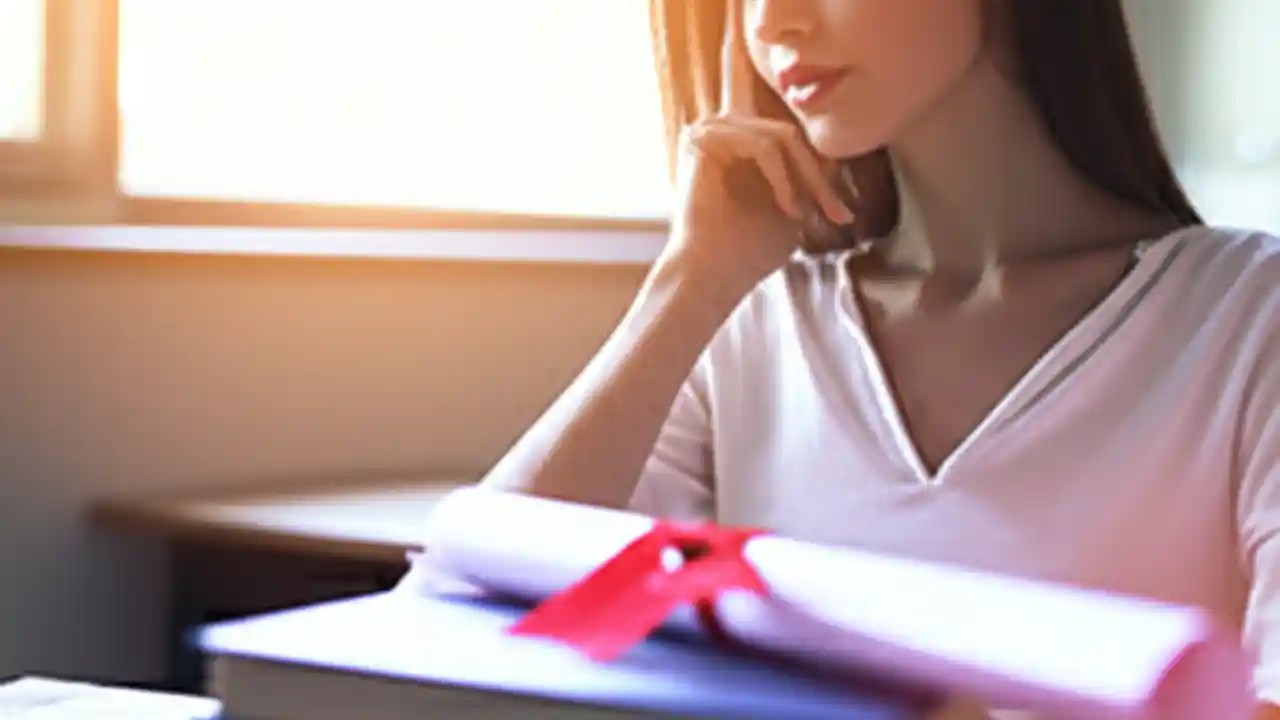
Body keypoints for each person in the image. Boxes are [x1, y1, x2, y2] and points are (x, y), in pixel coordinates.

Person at [468, 0, 1280, 713]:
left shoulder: (1250, 316)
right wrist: (692, 279)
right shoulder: (752, 321)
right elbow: (467, 612)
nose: (770, 21)